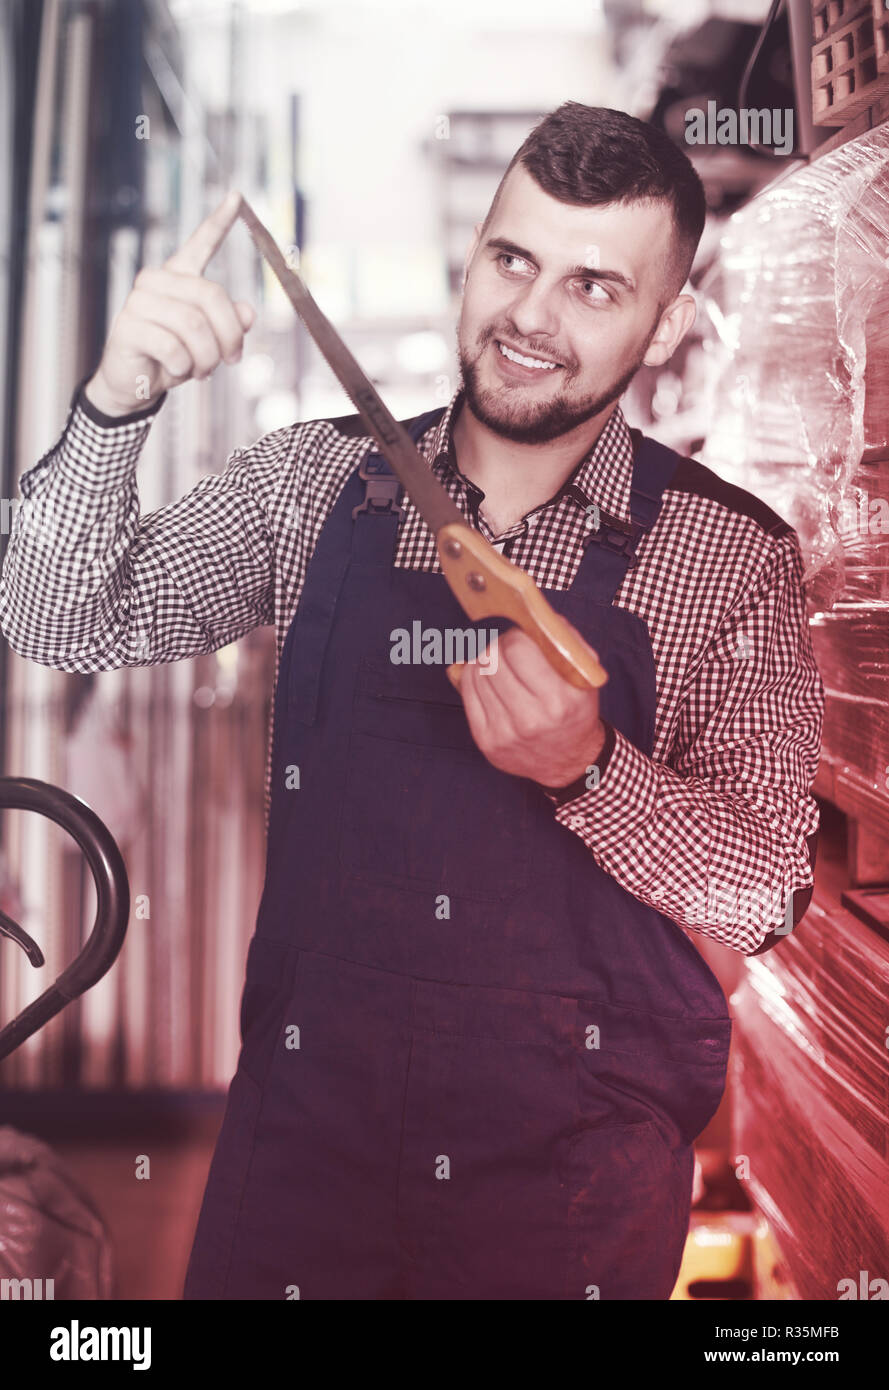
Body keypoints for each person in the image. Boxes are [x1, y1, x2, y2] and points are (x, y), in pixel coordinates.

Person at [0, 103, 824, 1300]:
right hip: (300, 1153)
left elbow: (763, 891)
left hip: (569, 1193)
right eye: (512, 259)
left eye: (594, 286)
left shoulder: (727, 556)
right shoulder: (309, 483)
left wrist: (593, 773)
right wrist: (116, 399)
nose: (531, 316)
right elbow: (56, 619)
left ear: (666, 325)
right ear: (472, 256)